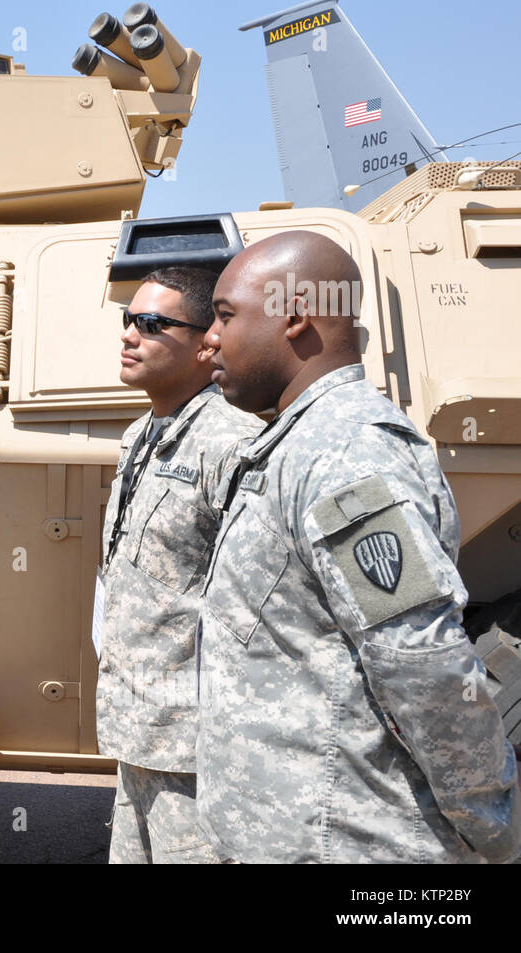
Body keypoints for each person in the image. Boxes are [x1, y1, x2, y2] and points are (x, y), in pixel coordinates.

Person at [198, 230, 521, 863]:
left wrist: (495, 827)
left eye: (226, 315)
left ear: (295, 318)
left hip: (349, 846)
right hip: (293, 836)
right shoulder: (300, 442)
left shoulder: (347, 454)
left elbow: (420, 662)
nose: (209, 336)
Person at [95, 267, 262, 863]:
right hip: (138, 727)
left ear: (205, 344)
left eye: (152, 324)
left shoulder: (234, 444)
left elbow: (257, 606)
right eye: (128, 320)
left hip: (196, 746)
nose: (130, 336)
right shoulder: (141, 433)